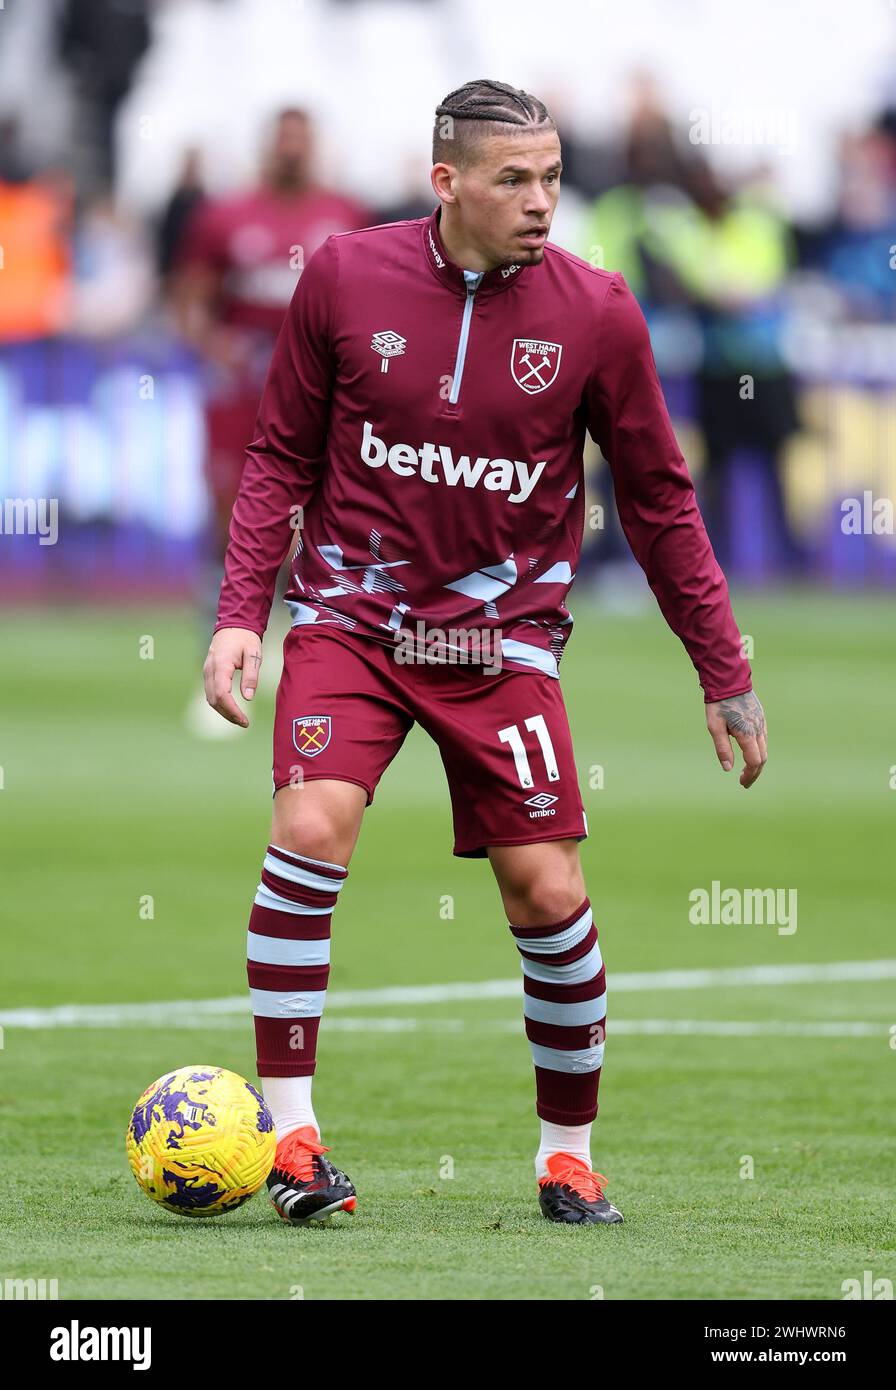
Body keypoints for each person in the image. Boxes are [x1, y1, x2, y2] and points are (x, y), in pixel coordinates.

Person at [203, 79, 768, 1228]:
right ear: (445, 180)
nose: (540, 201)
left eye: (552, 177)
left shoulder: (599, 312)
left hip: (498, 638)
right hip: (350, 622)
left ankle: (566, 1157)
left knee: (546, 887)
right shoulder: (343, 278)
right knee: (309, 824)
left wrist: (723, 670)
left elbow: (657, 502)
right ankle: (292, 1137)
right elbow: (276, 455)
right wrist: (236, 612)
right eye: (513, 178)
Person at [175, 108, 370, 734]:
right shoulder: (225, 216)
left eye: (301, 140)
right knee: (234, 511)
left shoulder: (345, 214)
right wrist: (215, 346)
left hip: (326, 393)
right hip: (244, 391)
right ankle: (217, 659)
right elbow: (190, 300)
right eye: (282, 140)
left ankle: (300, 649)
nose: (292, 150)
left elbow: (374, 298)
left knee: (319, 514)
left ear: (313, 147)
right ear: (270, 147)